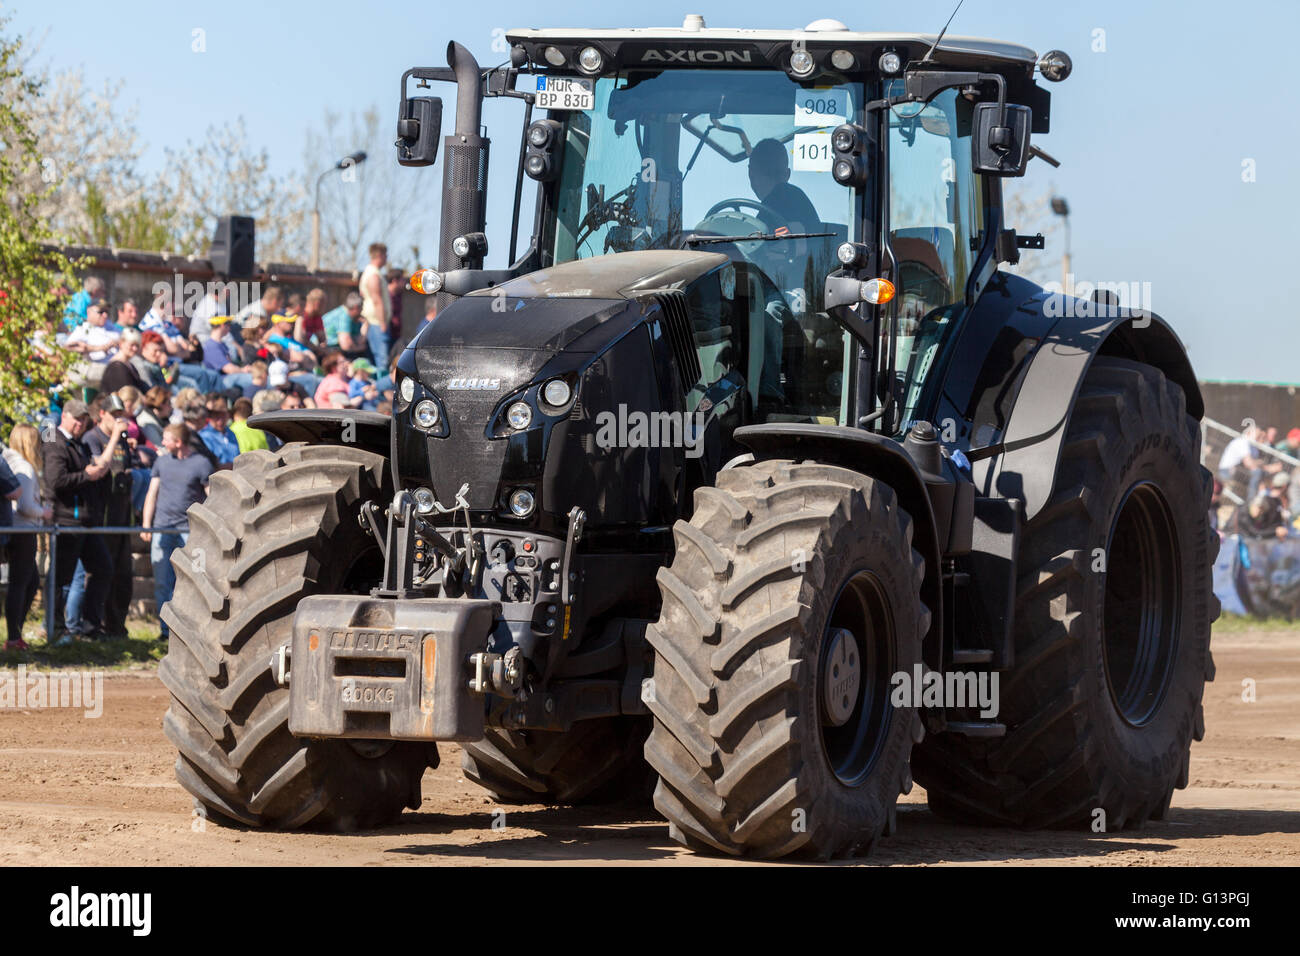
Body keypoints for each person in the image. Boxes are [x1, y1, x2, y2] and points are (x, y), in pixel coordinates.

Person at [41, 399, 125, 640]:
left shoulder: (78, 444)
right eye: (76, 418)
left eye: (83, 419)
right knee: (61, 578)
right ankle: (54, 628)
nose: (80, 423)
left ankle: (88, 627)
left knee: (103, 569)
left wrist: (93, 471)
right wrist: (86, 475)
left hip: (86, 521)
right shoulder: (54, 442)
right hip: (67, 520)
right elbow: (55, 481)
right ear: (64, 416)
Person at [142, 424, 211, 641]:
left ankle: (192, 631)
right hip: (162, 529)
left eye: (166, 439)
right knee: (162, 581)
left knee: (194, 581)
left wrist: (207, 529)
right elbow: (152, 494)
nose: (162, 443)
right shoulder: (161, 462)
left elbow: (211, 499)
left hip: (190, 532)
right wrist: (147, 525)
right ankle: (165, 631)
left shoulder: (201, 464)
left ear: (179, 442)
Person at [82, 394, 137, 638]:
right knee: (102, 573)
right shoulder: (92, 438)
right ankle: (96, 626)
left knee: (124, 576)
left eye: (120, 416)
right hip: (103, 517)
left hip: (122, 515)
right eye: (114, 415)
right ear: (101, 414)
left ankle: (117, 626)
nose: (118, 420)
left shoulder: (124, 442)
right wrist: (115, 437)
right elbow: (99, 467)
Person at [4, 425, 52, 650]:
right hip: (23, 531)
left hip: (15, 529)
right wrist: (44, 512)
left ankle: (16, 635)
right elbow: (25, 506)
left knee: (30, 582)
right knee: (21, 584)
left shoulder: (9, 461)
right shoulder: (24, 467)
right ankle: (14, 638)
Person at [748, 138, 821, 236]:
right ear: (787, 174)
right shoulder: (795, 196)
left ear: (751, 174)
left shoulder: (776, 201)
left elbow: (756, 246)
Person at [360, 243, 392, 367]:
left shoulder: (371, 273)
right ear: (379, 255)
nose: (386, 258)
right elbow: (377, 300)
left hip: (375, 323)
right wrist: (382, 323)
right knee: (382, 360)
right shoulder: (373, 275)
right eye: (385, 255)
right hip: (376, 323)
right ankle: (381, 386)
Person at [99, 327, 149, 393]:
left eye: (137, 345)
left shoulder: (129, 364)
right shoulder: (116, 367)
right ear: (121, 343)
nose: (135, 348)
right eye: (132, 345)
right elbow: (126, 394)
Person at [198, 394, 241, 465]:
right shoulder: (204, 436)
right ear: (210, 416)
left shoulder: (231, 434)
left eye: (223, 415)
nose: (220, 421)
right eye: (216, 416)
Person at [323, 291, 366, 357]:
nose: (362, 311)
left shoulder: (354, 318)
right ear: (356, 307)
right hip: (327, 349)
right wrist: (360, 348)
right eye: (361, 308)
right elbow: (346, 345)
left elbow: (359, 339)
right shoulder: (344, 315)